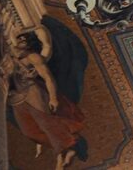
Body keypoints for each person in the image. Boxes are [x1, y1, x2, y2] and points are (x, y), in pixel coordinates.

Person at [10, 15, 88, 169]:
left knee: (46, 123)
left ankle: (61, 157)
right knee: (28, 131)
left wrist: (53, 98)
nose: (20, 42)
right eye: (19, 40)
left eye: (23, 40)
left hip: (32, 91)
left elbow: (48, 78)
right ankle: (71, 145)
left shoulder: (33, 57)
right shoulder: (9, 55)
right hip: (15, 96)